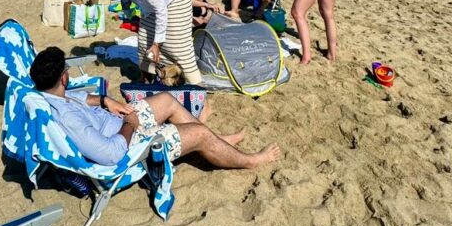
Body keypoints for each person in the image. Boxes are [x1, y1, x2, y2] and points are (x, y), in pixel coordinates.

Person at [31, 46, 279, 169]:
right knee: (200, 134)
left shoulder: (54, 95)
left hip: (120, 125)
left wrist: (105, 100)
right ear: (64, 78)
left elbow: (81, 98)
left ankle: (217, 140)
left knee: (167, 100)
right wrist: (130, 124)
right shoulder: (68, 119)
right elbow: (111, 154)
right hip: (129, 144)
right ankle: (250, 160)